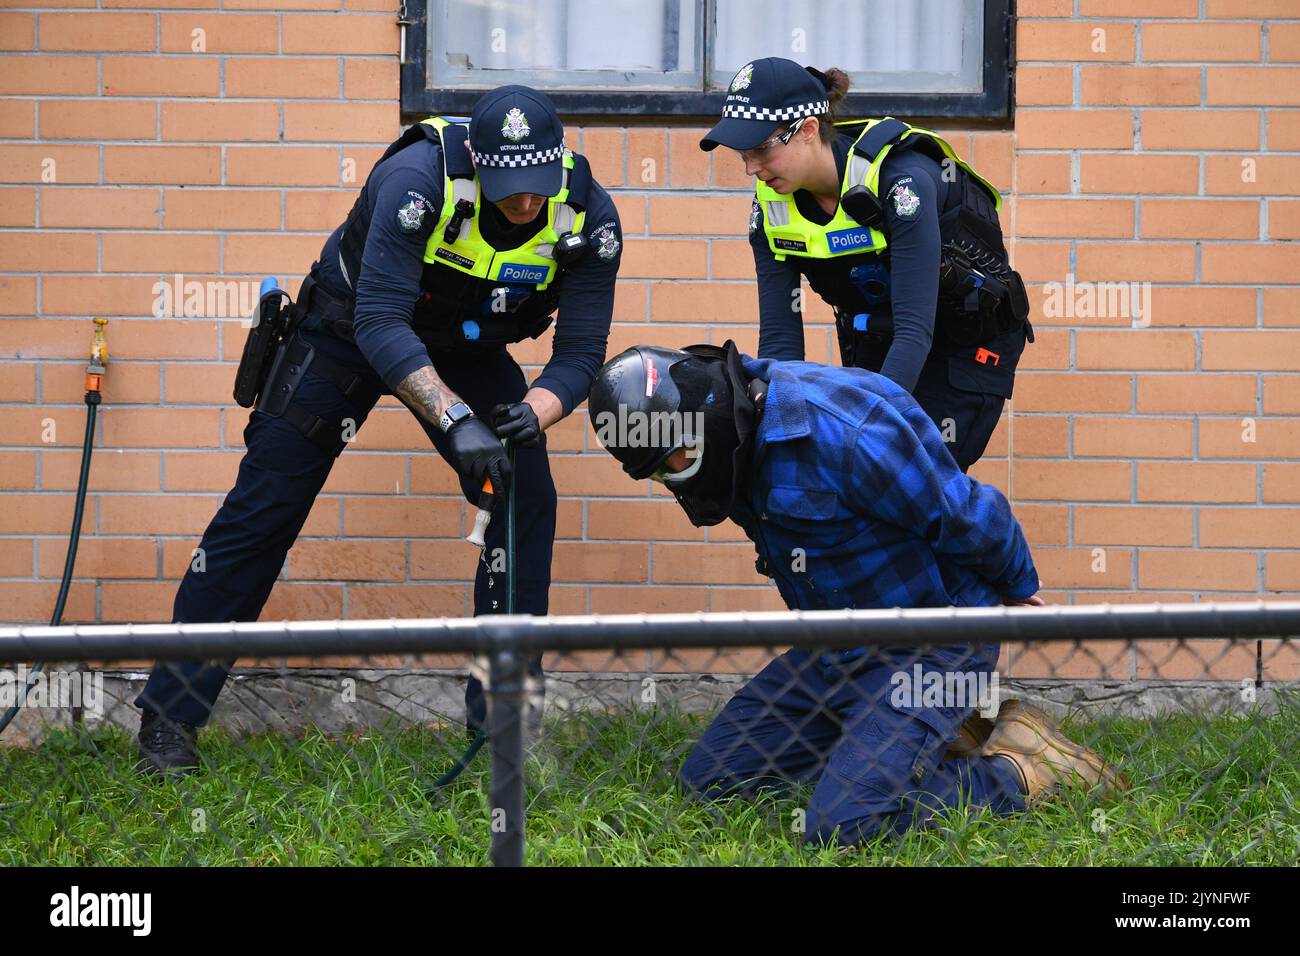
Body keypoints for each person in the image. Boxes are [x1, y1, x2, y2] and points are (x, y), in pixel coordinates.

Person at [135, 85, 623, 777]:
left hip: (469, 344)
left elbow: (578, 354)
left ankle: (504, 727)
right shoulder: (414, 183)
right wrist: (454, 421)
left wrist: (533, 412)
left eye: (537, 186)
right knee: (263, 509)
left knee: (526, 497)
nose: (525, 204)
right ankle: (168, 722)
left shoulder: (590, 216)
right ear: (477, 166)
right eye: (508, 188)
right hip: (350, 329)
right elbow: (380, 323)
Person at [587, 341, 1127, 845]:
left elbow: (961, 510)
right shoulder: (735, 435)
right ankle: (924, 736)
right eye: (655, 473)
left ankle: (1022, 768)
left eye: (673, 461)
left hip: (933, 642)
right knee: (708, 785)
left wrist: (1014, 583)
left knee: (843, 826)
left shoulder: (842, 432)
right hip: (835, 646)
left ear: (704, 419)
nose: (671, 478)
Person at [700, 57, 1033, 472]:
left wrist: (858, 432)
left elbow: (916, 332)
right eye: (742, 154)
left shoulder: (901, 180)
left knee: (906, 477)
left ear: (806, 130)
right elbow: (781, 342)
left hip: (962, 341)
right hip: (879, 334)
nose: (752, 167)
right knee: (835, 475)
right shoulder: (770, 205)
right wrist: (778, 430)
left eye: (761, 149)